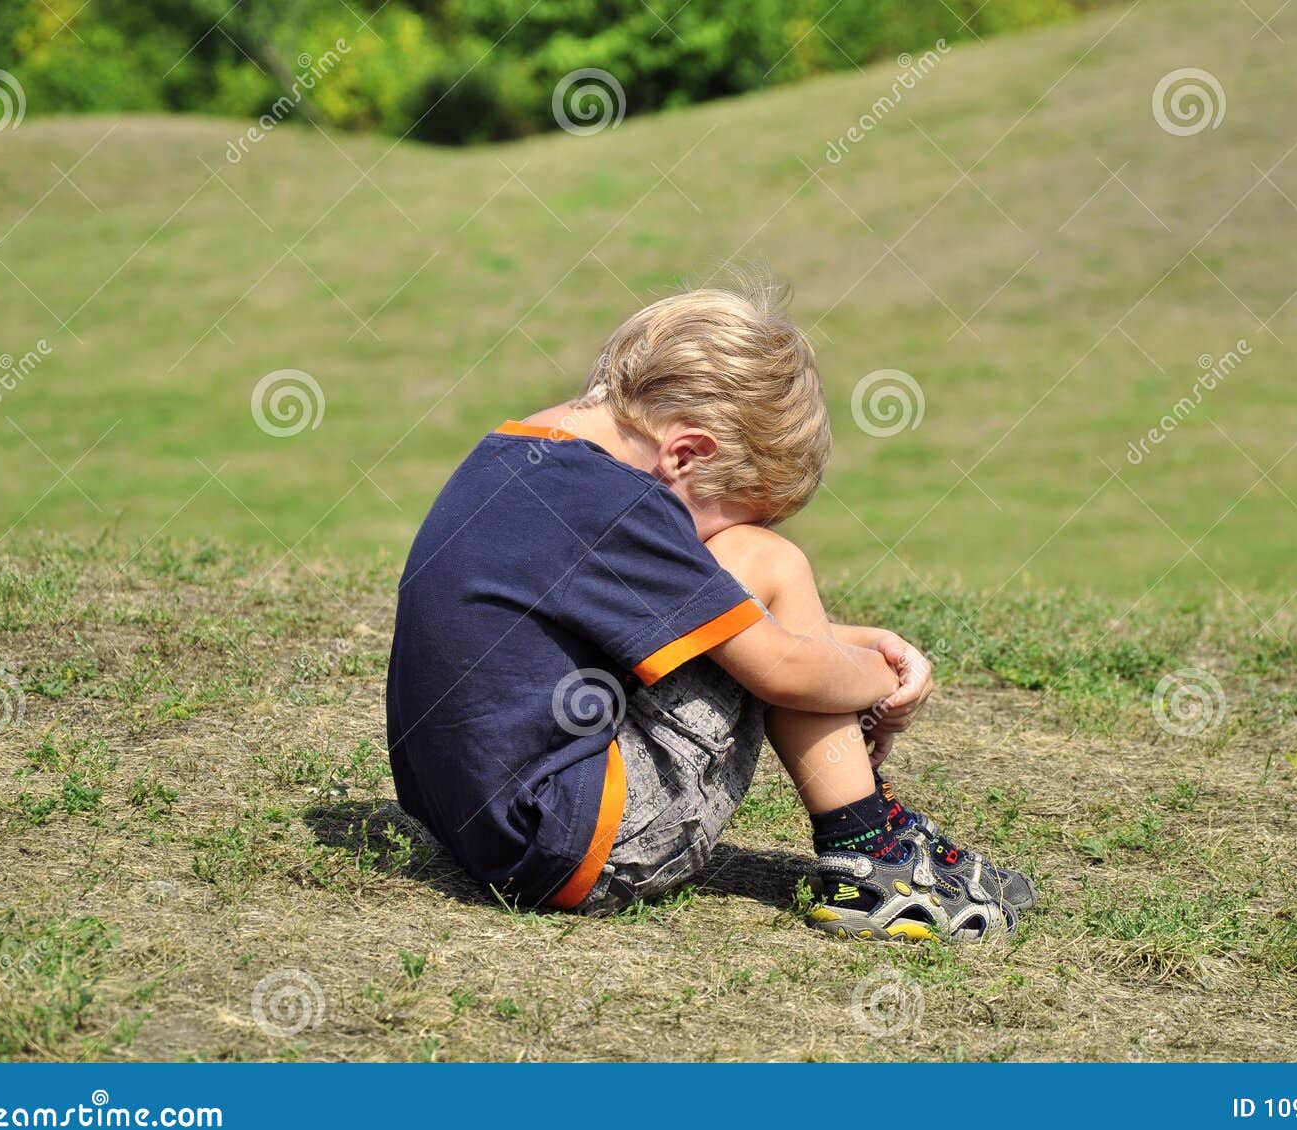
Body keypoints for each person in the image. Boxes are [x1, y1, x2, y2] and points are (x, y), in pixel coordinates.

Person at [386, 278, 1035, 942]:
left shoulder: (525, 456)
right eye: (717, 521)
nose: (703, 547)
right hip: (584, 843)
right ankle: (871, 850)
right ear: (688, 454)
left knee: (756, 583)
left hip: (477, 834)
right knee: (769, 561)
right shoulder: (624, 508)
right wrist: (883, 679)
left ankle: (879, 838)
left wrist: (860, 644)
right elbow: (779, 665)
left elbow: (690, 619)